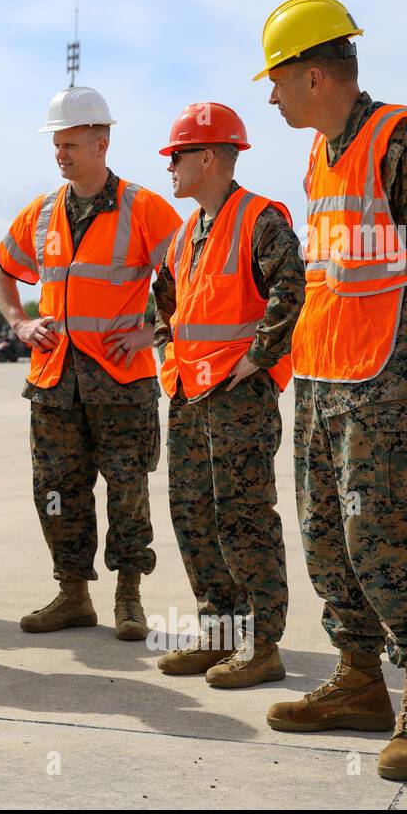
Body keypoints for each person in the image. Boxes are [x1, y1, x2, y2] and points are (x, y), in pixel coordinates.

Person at [254, 0, 407, 780]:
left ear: (315, 74)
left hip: (385, 381)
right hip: (324, 378)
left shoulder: (405, 143)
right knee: (327, 537)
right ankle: (359, 679)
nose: (271, 94)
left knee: (385, 538)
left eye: (278, 79)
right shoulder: (322, 154)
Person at [0, 87, 182, 641]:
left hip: (122, 382)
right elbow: (3, 270)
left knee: (127, 488)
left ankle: (129, 596)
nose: (61, 154)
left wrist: (153, 330)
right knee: (55, 489)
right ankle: (73, 594)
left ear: (102, 143)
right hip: (55, 382)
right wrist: (19, 323)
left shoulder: (144, 207)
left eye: (71, 144)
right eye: (57, 144)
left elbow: (190, 274)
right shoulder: (43, 211)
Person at [151, 102, 304, 687]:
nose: (170, 167)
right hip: (189, 394)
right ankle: (218, 635)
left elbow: (293, 291)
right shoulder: (185, 233)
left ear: (209, 157)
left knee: (243, 516)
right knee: (193, 514)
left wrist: (258, 357)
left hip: (238, 397)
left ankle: (263, 645)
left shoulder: (261, 219)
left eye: (178, 156)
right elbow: (159, 298)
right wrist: (167, 347)